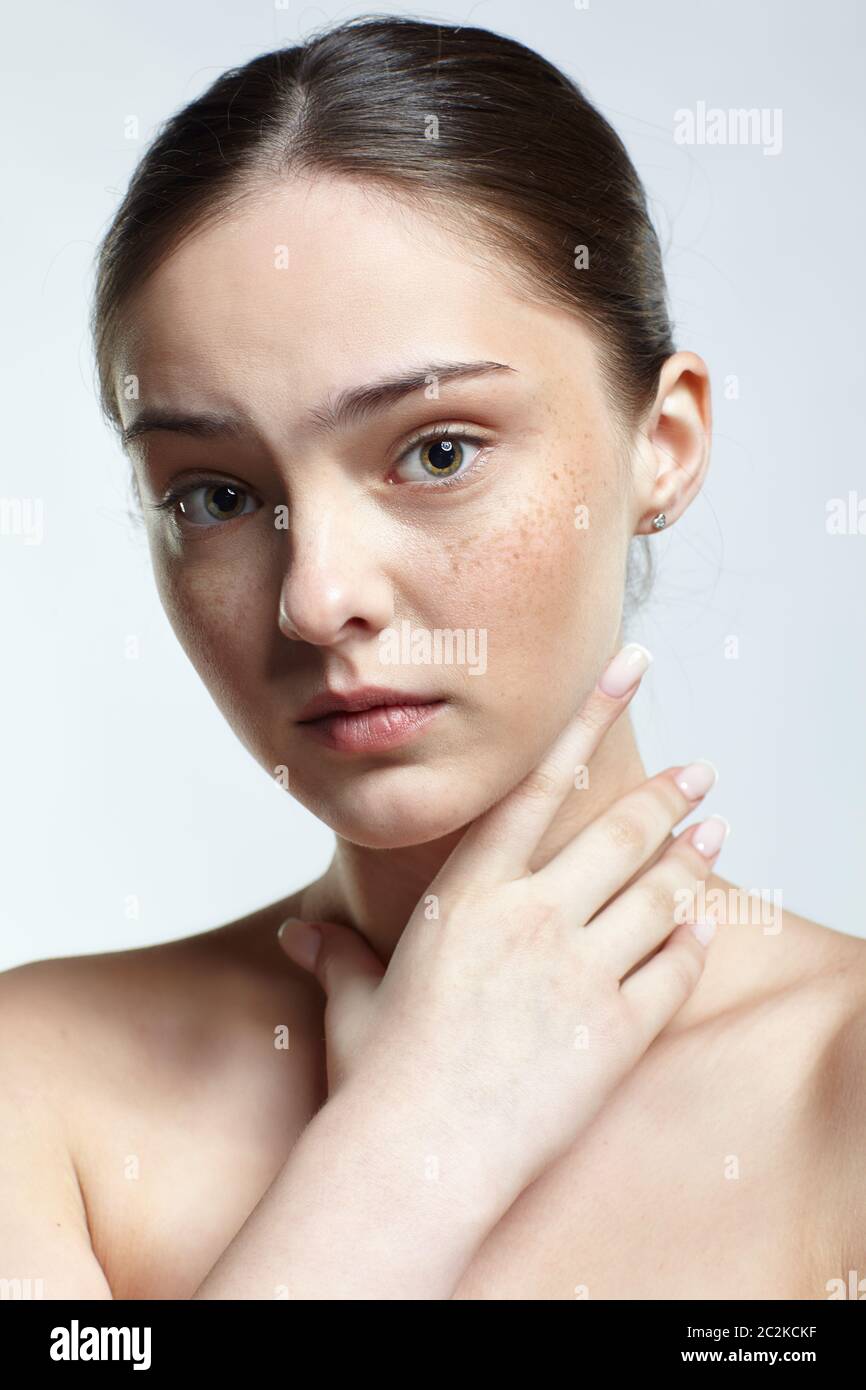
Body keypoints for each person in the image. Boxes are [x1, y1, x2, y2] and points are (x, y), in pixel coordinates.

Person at [2, 15, 863, 1301]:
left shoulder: (833, 1091)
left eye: (438, 450)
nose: (315, 598)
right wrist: (414, 1149)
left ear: (662, 442)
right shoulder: (39, 1091)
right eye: (216, 497)